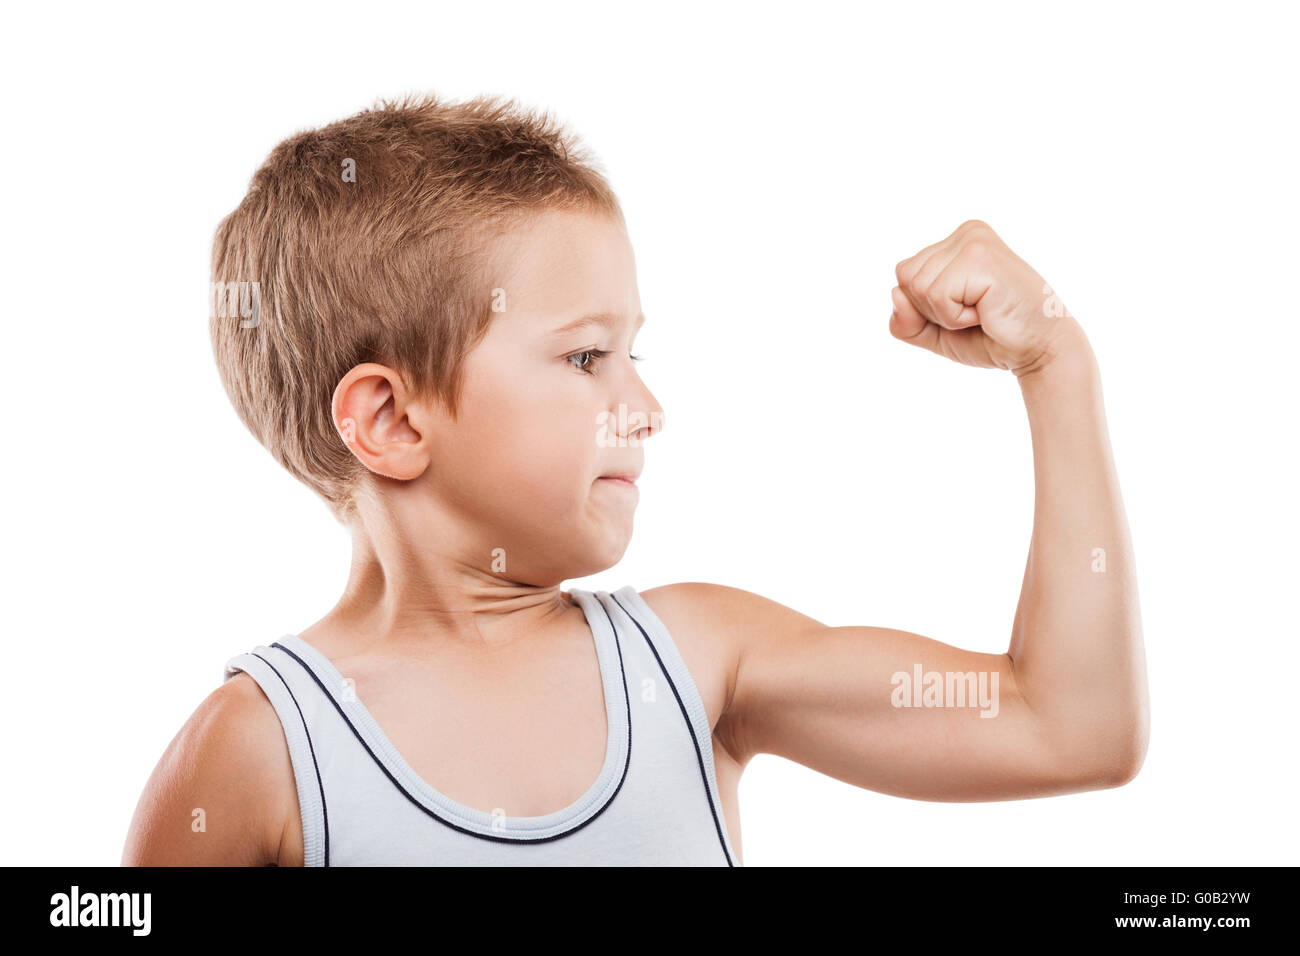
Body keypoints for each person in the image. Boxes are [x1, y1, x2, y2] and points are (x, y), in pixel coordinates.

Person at [122, 93, 1148, 866]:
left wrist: (1056, 366)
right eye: (585, 358)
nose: (646, 409)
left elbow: (1069, 726)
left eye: (633, 354)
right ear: (390, 419)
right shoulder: (253, 755)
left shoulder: (700, 663)